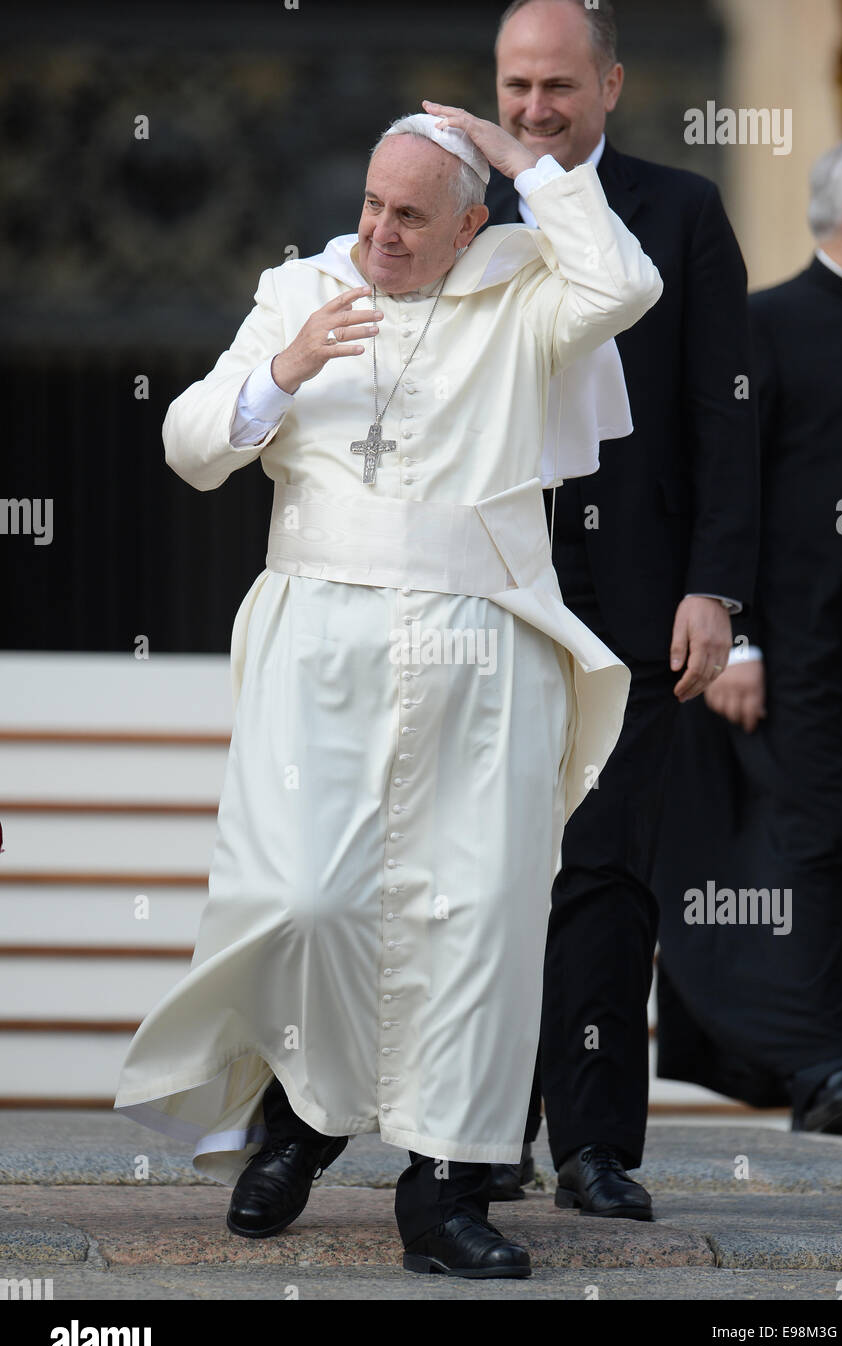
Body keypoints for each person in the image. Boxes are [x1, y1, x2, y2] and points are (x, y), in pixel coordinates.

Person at [113, 102, 662, 1278]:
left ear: (472, 224)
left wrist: (530, 163)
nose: (381, 234)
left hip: (484, 647)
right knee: (303, 899)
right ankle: (299, 1123)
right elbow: (191, 441)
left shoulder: (524, 293)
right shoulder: (298, 289)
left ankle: (444, 1188)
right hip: (320, 642)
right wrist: (285, 367)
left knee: (472, 919)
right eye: (371, 206)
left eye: (412, 216)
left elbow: (624, 284)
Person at [484, 0, 759, 1217]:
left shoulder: (684, 213)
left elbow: (725, 418)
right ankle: (480, 1136)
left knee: (603, 870)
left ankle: (594, 1147)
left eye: (557, 86)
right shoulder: (461, 198)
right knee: (482, 872)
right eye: (514, 87)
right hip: (484, 589)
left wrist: (715, 589)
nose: (534, 110)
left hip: (636, 599)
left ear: (610, 86)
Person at [654, 132, 842, 1136]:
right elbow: (719, 492)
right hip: (800, 658)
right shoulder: (765, 328)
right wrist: (734, 641)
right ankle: (828, 1066)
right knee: (817, 850)